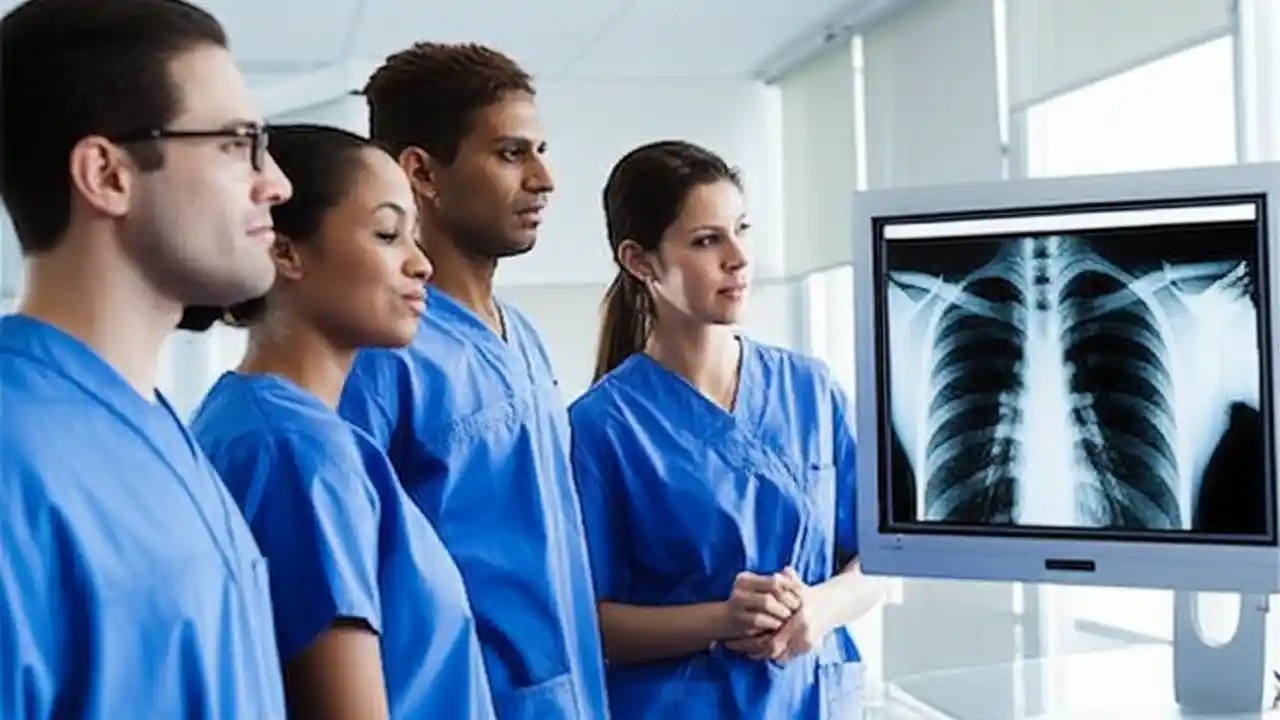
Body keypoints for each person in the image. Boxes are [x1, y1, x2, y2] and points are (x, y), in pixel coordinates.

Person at [0, 0, 293, 717]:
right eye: (237, 144)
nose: (276, 182)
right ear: (107, 174)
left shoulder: (157, 431)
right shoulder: (15, 455)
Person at [185, 124, 497, 720]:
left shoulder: (242, 423)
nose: (421, 264)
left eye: (414, 235)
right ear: (284, 251)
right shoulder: (297, 452)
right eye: (386, 234)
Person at [569, 140, 885, 719]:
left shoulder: (809, 389)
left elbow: (882, 557)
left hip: (815, 699)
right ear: (640, 262)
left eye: (742, 228)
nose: (737, 257)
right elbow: (587, 622)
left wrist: (819, 608)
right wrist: (722, 620)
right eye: (706, 240)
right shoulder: (601, 428)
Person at [337, 42, 608, 719]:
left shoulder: (525, 339)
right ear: (422, 172)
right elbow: (345, 588)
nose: (545, 179)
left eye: (541, 150)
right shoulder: (378, 353)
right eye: (512, 154)